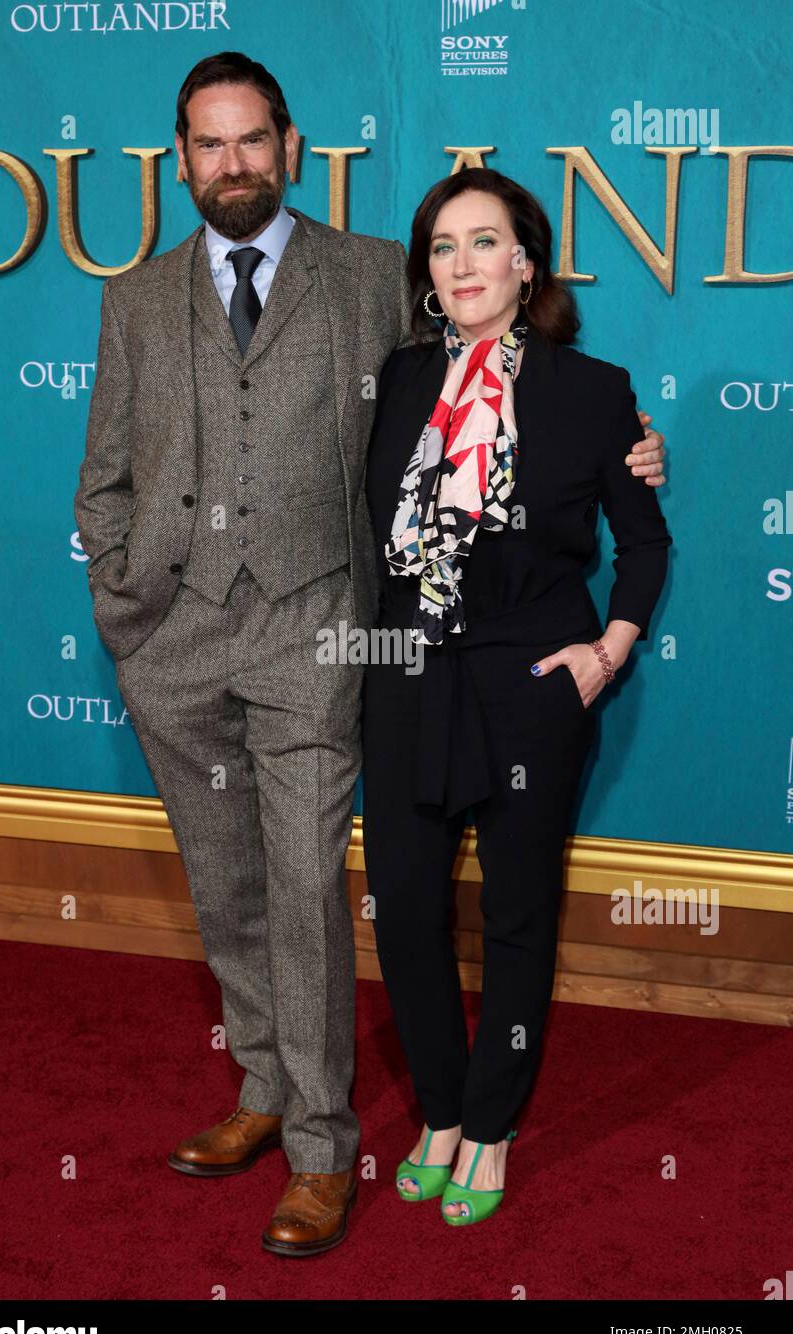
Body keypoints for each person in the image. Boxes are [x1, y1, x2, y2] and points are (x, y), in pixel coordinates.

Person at [74, 52, 667, 1257]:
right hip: (176, 639)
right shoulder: (134, 297)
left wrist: (625, 450)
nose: (232, 164)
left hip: (323, 634)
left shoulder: (362, 276)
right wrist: (123, 597)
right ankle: (262, 1088)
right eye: (209, 144)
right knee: (226, 884)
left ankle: (322, 1144)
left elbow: (494, 386)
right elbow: (107, 470)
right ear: (181, 159)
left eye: (253, 141)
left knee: (304, 888)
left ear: (289, 148)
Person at [361, 165, 673, 1226]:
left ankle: (489, 1128)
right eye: (443, 247)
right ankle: (439, 1108)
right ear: (427, 273)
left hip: (534, 682)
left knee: (516, 913)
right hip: (408, 677)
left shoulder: (591, 392)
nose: (462, 265)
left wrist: (606, 652)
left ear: (525, 262)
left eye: (483, 242)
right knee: (402, 908)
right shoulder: (398, 383)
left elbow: (642, 547)